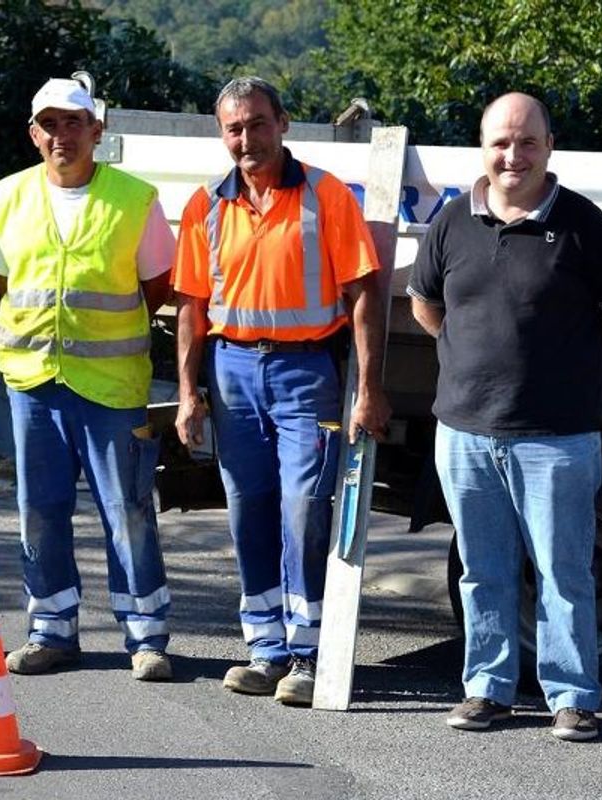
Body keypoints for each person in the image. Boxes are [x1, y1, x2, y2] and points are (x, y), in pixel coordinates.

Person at [409, 92, 602, 741]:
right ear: (482, 148)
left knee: (563, 573)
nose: (513, 155)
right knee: (481, 570)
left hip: (558, 435)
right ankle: (487, 689)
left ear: (548, 145)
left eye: (527, 141)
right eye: (501, 143)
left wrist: (567, 362)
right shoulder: (453, 220)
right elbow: (426, 306)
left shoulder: (582, 224)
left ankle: (572, 696)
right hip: (464, 433)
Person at [173, 77, 390, 706]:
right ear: (222, 134)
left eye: (257, 124)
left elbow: (364, 295)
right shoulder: (206, 205)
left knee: (303, 506)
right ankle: (264, 647)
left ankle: (305, 652)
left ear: (283, 123)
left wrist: (369, 388)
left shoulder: (326, 196)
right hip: (232, 370)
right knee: (248, 509)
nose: (246, 138)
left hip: (305, 374)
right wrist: (189, 393)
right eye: (234, 128)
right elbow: (191, 306)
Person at [0, 76, 177, 681]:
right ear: (35, 134)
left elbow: (156, 286)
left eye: (74, 122)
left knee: (129, 510)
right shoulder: (6, 198)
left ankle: (146, 638)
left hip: (111, 387)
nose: (63, 134)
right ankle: (51, 630)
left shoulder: (135, 199)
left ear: (97, 130)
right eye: (51, 124)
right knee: (40, 510)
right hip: (34, 383)